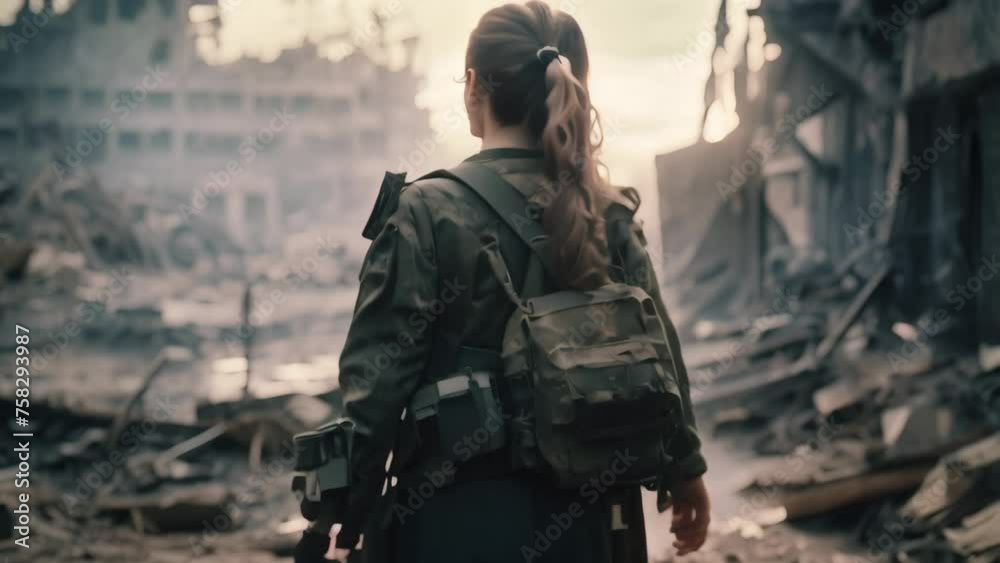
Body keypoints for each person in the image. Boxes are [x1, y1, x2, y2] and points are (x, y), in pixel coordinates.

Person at [332, 2, 709, 561]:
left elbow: (376, 389)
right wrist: (687, 471)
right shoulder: (607, 212)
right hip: (596, 521)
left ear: (472, 87)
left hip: (455, 522)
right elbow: (662, 355)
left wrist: (349, 515)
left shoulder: (425, 212)